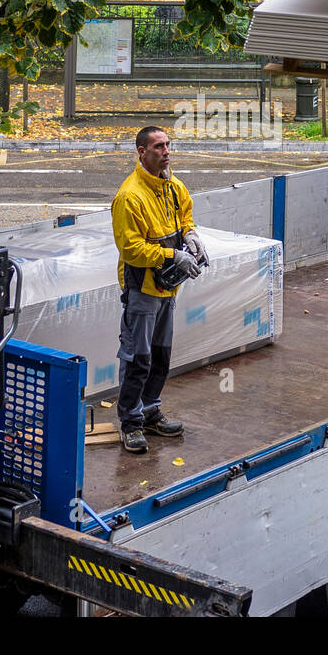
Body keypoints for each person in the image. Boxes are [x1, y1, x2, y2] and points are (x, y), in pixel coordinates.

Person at [110, 125, 208, 454]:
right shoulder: (130, 196)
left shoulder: (173, 186)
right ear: (141, 152)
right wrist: (173, 255)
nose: (166, 151)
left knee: (160, 357)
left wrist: (191, 237)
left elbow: (185, 217)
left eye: (167, 145)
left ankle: (150, 412)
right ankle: (131, 423)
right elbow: (131, 248)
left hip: (168, 289)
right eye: (158, 147)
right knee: (138, 357)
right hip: (143, 289)